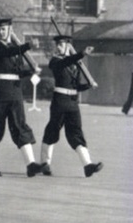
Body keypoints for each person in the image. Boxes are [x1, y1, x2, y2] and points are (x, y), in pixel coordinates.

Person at [0, 17, 43, 177]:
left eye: (4, 29)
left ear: (10, 30)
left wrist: (31, 71)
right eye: (0, 29)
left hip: (15, 92)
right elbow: (7, 52)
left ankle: (30, 164)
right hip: (1, 91)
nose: (1, 32)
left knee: (20, 126)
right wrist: (27, 46)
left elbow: (18, 71)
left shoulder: (16, 50)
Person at [39, 35, 103, 177]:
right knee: (53, 130)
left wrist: (88, 85)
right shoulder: (55, 61)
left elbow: (76, 85)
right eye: (58, 44)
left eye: (62, 44)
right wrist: (82, 54)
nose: (58, 47)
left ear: (68, 46)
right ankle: (44, 163)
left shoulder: (76, 64)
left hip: (73, 102)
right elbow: (65, 62)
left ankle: (88, 165)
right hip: (60, 101)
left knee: (76, 133)